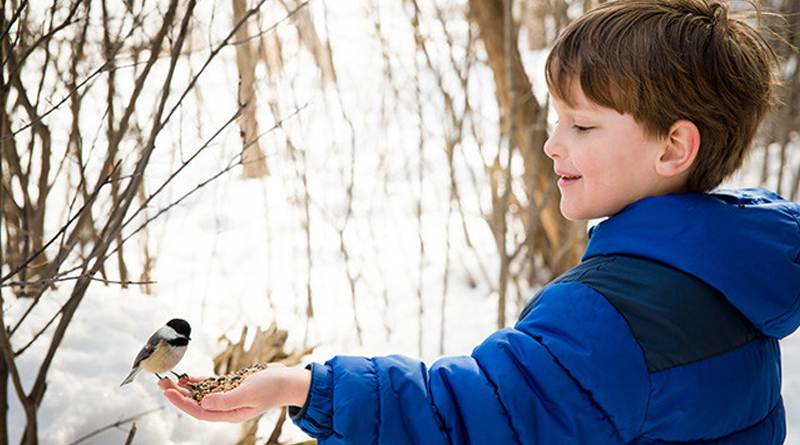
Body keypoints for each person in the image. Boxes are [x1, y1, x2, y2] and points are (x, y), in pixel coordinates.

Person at [159, 0, 800, 443]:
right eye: (557, 119)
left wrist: (304, 387)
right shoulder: (737, 271)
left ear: (672, 148)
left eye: (582, 125)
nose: (553, 144)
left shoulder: (615, 314)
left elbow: (467, 418)